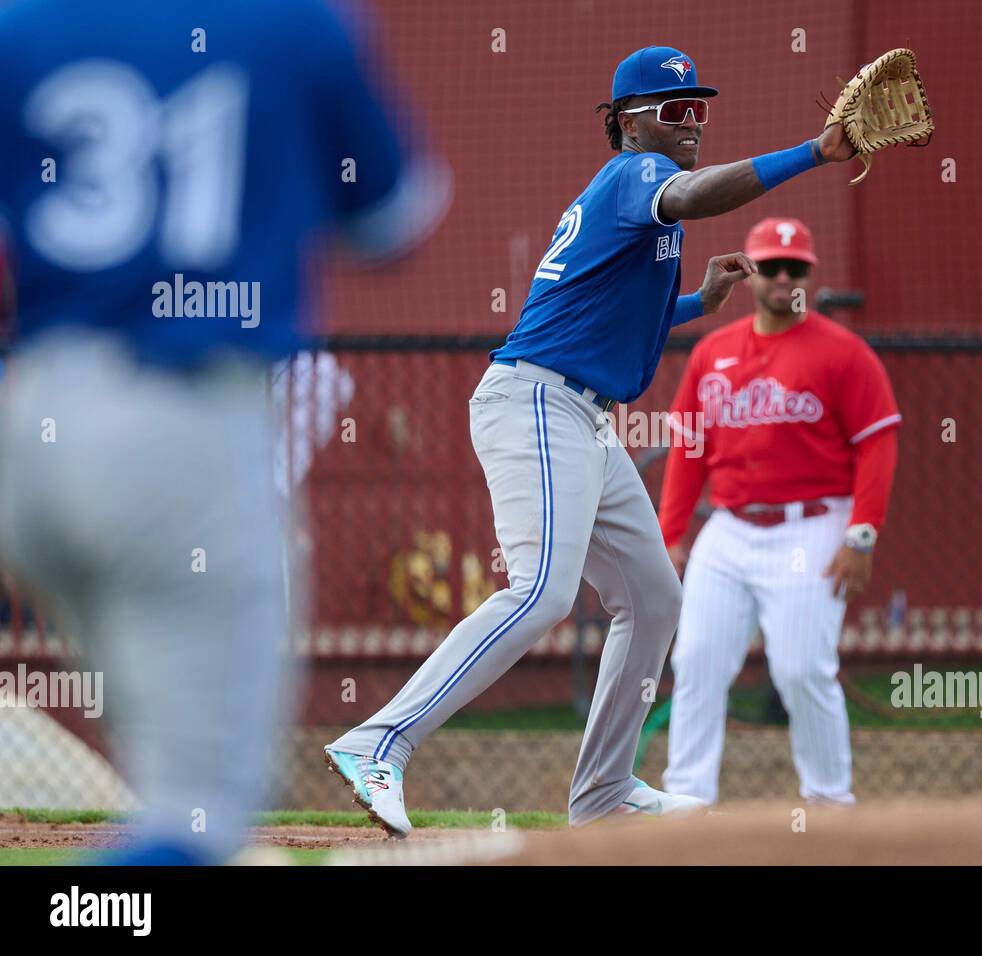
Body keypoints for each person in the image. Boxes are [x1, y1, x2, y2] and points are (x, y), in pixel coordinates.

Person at [325, 45, 868, 832]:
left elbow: (613, 316)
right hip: (539, 403)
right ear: (628, 123)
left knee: (652, 598)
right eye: (675, 110)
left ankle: (605, 789)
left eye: (699, 109)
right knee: (542, 590)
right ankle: (380, 741)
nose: (693, 124)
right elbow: (697, 193)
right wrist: (814, 153)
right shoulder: (634, 176)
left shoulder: (634, 200)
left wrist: (696, 301)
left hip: (578, 413)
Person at [0, 0, 444, 863]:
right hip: (183, 425)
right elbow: (393, 221)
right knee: (197, 819)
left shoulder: (18, 25)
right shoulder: (295, 23)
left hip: (34, 422)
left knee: (167, 774)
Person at [657, 217, 900, 806]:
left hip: (814, 523)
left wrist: (861, 535)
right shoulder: (714, 351)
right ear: (751, 273)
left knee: (800, 669)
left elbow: (878, 442)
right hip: (730, 527)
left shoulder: (844, 353)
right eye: (771, 266)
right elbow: (689, 449)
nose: (783, 276)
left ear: (809, 275)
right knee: (696, 662)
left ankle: (828, 802)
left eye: (796, 268)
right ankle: (687, 801)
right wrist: (670, 533)